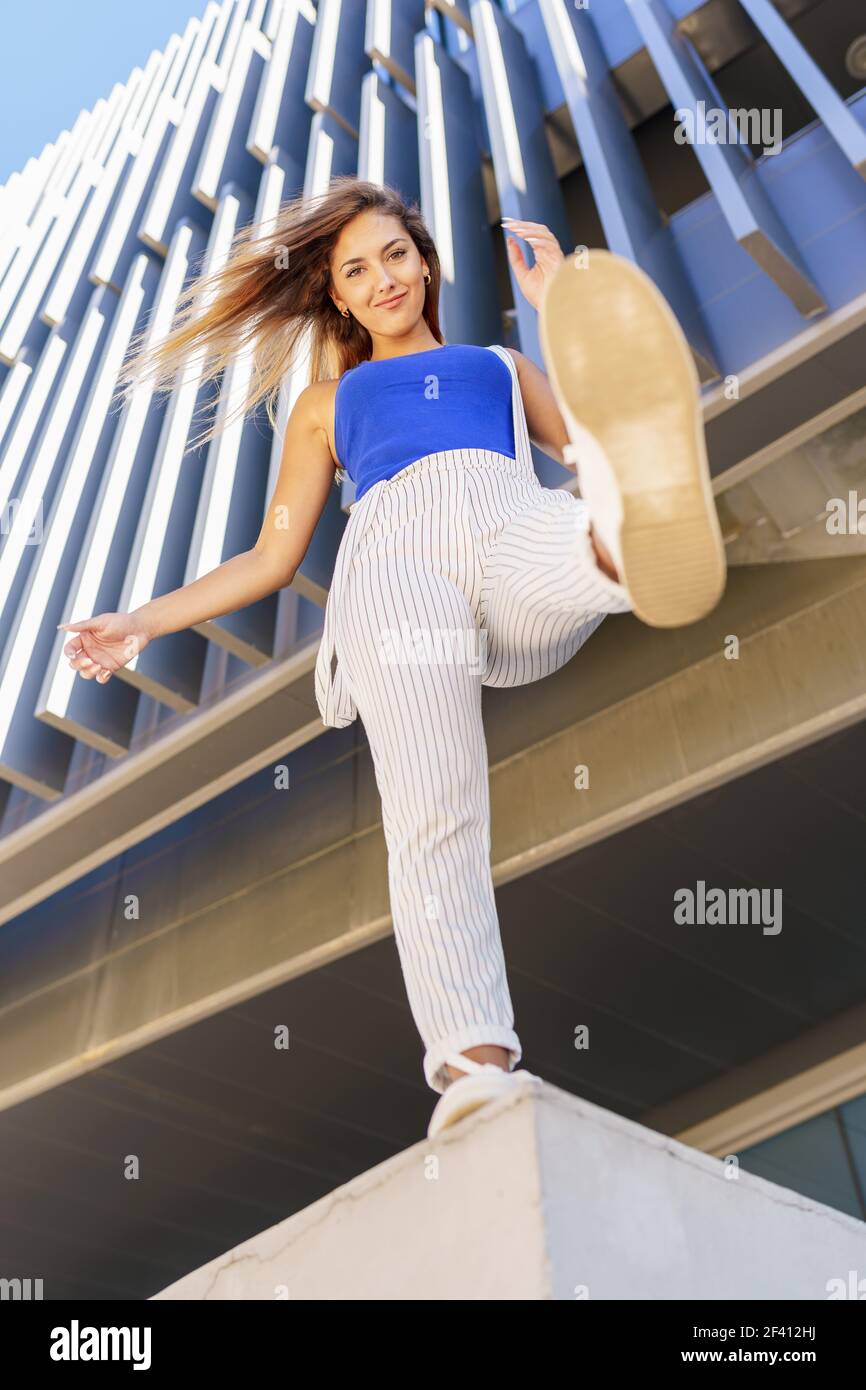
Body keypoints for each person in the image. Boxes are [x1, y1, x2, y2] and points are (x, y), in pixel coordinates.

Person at [57, 178, 726, 1140]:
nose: (383, 281)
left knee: (595, 513)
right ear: (337, 296)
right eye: (356, 270)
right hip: (397, 570)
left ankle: (627, 541)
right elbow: (271, 554)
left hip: (510, 527)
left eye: (396, 256)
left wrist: (561, 310)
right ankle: (475, 1066)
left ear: (426, 261)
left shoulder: (498, 365)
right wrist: (141, 622)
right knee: (433, 811)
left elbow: (581, 445)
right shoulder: (327, 404)